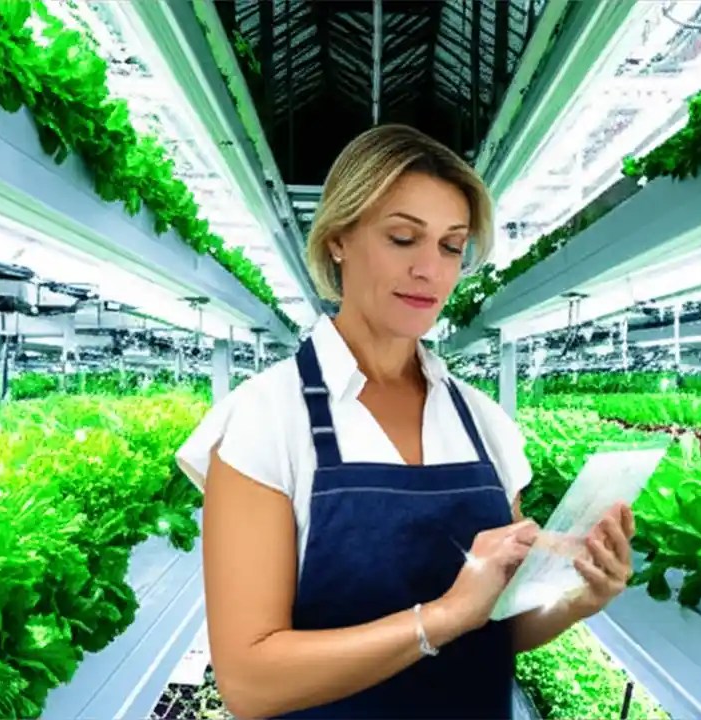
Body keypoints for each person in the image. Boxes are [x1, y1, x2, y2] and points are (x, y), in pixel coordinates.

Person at [176, 124, 636, 720]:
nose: (430, 270)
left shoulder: (485, 423)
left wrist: (578, 599)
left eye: (451, 247)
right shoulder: (265, 418)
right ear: (338, 238)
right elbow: (249, 680)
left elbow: (495, 627)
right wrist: (439, 618)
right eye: (402, 238)